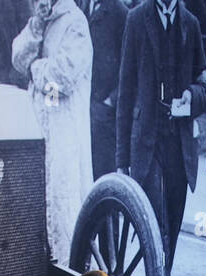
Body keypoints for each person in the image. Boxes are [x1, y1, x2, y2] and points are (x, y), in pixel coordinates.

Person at [116, 0, 206, 276]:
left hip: (179, 150)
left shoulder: (191, 24)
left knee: (165, 246)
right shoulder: (136, 19)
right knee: (161, 237)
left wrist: (190, 97)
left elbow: (204, 85)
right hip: (147, 147)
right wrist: (121, 159)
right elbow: (125, 89)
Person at [12, 0, 93, 265]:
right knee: (38, 203)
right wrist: (36, 25)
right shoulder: (40, 21)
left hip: (65, 131)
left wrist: (35, 68)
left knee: (64, 204)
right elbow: (17, 56)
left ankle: (70, 272)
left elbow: (61, 79)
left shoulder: (75, 22)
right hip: (39, 126)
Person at [81, 0, 126, 179]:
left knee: (103, 179)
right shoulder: (80, 7)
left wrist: (111, 101)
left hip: (104, 115)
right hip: (82, 108)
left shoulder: (120, 12)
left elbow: (129, 65)